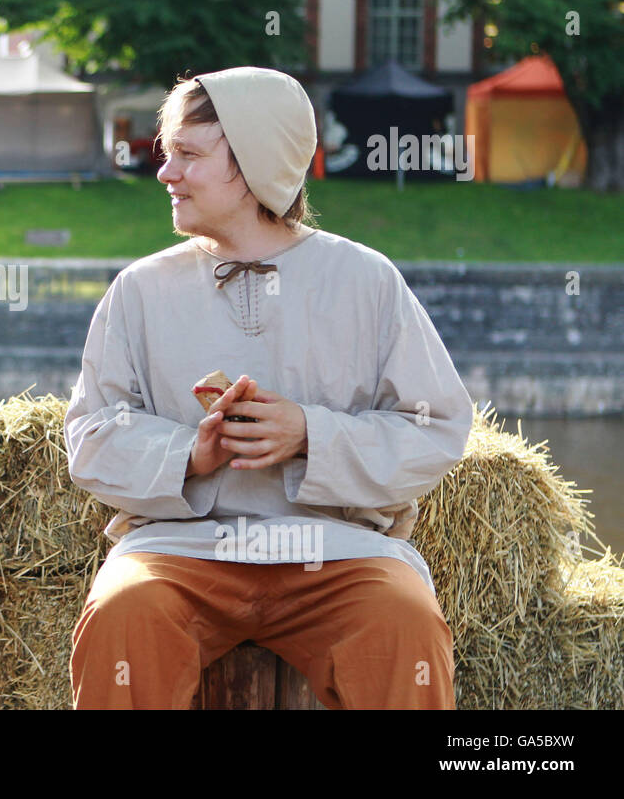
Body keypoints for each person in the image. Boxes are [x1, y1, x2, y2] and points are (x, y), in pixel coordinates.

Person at [66, 66, 472, 710]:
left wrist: (311, 435)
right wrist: (190, 456)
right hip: (181, 552)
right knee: (124, 614)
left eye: (189, 155)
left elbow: (437, 427)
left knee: (403, 625)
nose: (166, 173)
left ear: (256, 161)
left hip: (337, 552)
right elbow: (89, 434)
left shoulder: (365, 279)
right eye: (166, 154)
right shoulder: (139, 290)